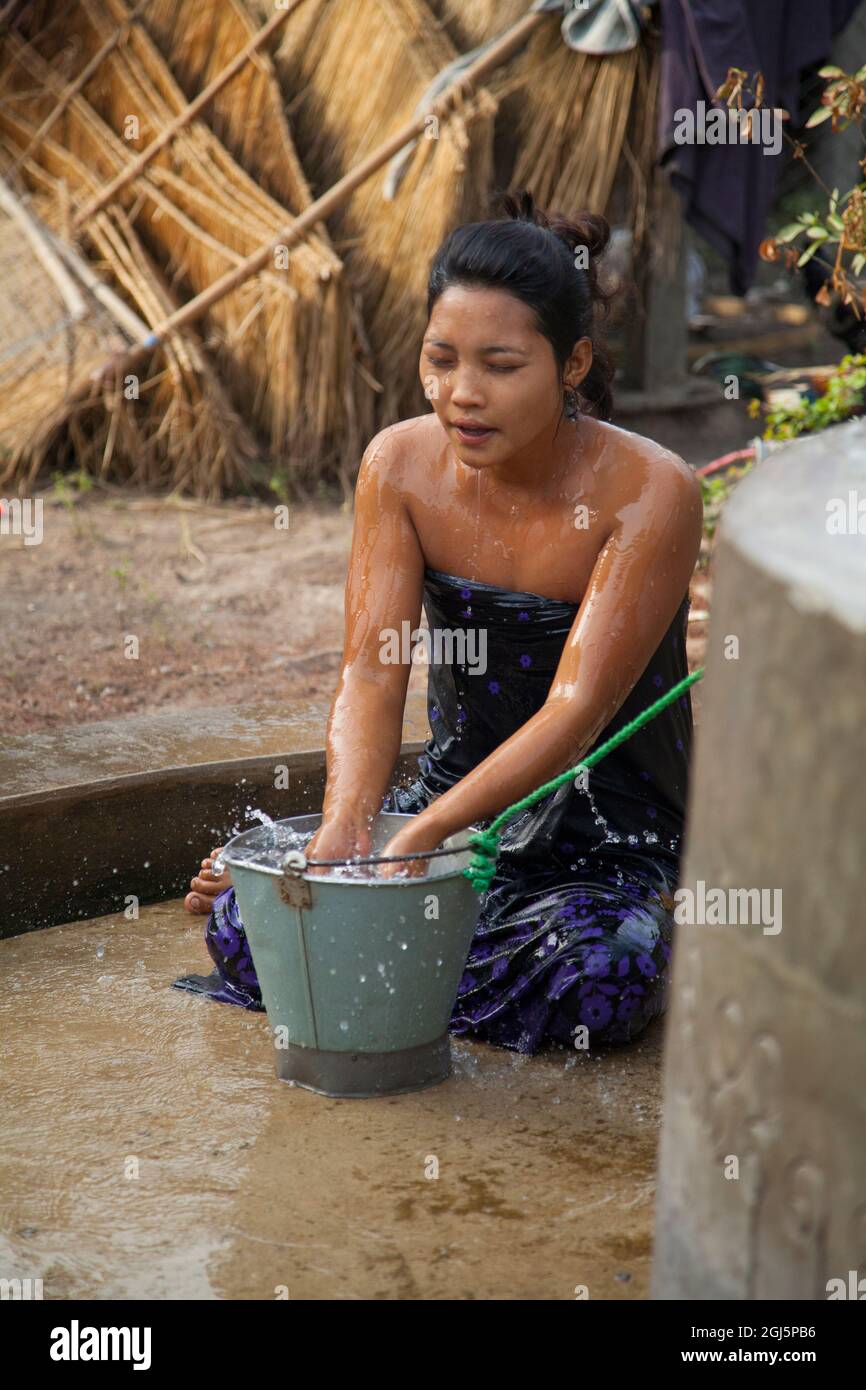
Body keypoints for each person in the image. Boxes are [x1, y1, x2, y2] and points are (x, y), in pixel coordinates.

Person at [174, 188, 703, 1054]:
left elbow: (575, 714)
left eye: (500, 365)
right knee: (243, 929)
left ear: (572, 366)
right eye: (440, 359)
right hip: (451, 793)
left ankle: (658, 921)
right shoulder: (400, 464)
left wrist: (417, 844)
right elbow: (372, 671)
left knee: (596, 984)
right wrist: (350, 832)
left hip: (603, 830)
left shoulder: (650, 491)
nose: (462, 394)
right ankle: (396, 935)